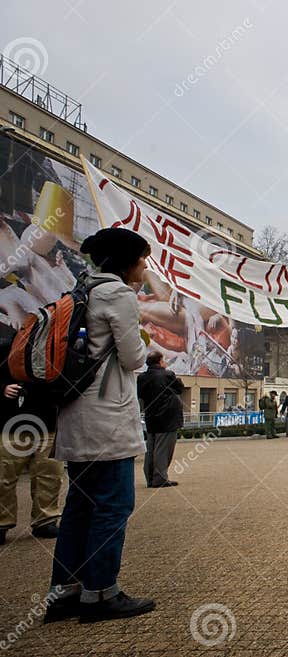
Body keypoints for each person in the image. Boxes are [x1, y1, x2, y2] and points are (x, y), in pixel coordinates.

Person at [45, 227, 156, 623]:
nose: (145, 266)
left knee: (79, 505)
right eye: (142, 259)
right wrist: (141, 340)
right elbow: (132, 358)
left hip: (76, 413)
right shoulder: (118, 295)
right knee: (113, 504)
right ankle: (101, 593)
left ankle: (64, 592)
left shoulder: (82, 288)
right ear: (126, 262)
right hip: (107, 414)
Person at [0, 331, 62, 544]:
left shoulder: (55, 350)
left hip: (46, 420)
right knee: (4, 475)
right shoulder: (6, 347)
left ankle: (45, 520)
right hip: (11, 422)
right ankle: (1, 523)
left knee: (48, 473)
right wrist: (2, 388)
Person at [136, 351, 184, 488]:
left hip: (151, 416)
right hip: (167, 418)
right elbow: (179, 388)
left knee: (151, 448)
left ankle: (150, 477)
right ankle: (160, 478)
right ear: (160, 361)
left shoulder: (142, 378)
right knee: (163, 449)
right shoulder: (167, 375)